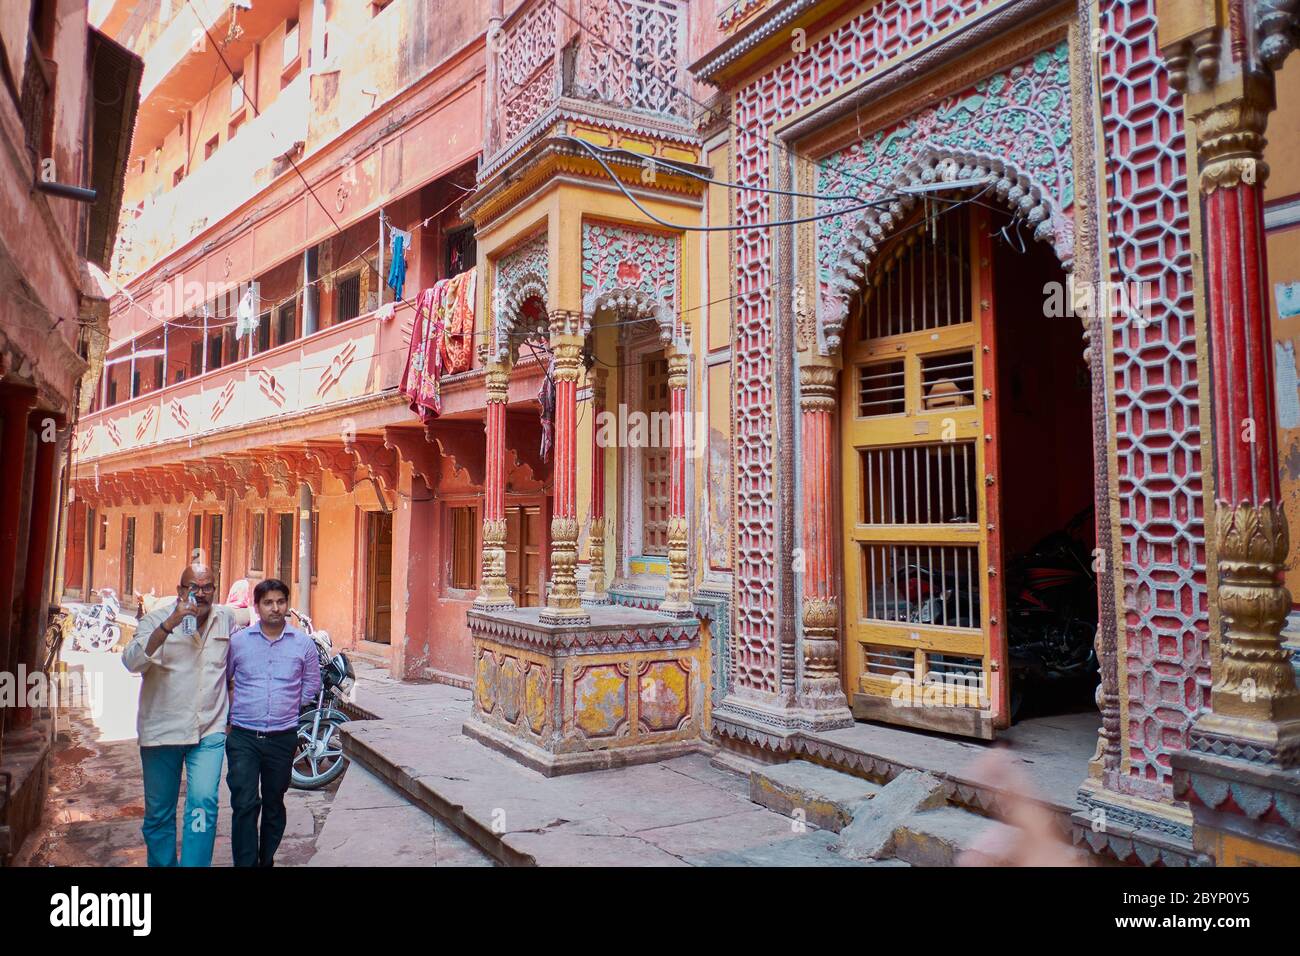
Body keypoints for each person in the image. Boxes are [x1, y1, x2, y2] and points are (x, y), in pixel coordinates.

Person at [122, 561, 235, 867]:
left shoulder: (225, 618)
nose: (200, 594)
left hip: (208, 730)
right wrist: (169, 624)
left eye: (208, 586)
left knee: (203, 806)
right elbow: (132, 662)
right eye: (193, 587)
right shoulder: (156, 619)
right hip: (162, 730)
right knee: (160, 814)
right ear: (180, 590)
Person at [225, 578, 320, 867]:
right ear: (257, 607)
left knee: (274, 803)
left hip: (282, 737)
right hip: (243, 736)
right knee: (244, 803)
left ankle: (266, 860)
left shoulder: (303, 644)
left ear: (287, 605)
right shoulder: (238, 642)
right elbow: (223, 679)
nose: (275, 608)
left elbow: (311, 685)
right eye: (268, 602)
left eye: (280, 602)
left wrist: (286, 707)